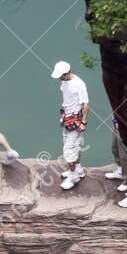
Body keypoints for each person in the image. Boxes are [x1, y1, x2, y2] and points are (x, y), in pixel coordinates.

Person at [51, 59, 89, 189]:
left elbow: (86, 104)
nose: (59, 78)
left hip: (75, 120)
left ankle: (73, 177)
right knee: (74, 146)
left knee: (68, 151)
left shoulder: (79, 84)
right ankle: (78, 170)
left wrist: (83, 121)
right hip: (67, 118)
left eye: (61, 76)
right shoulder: (64, 81)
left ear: (67, 73)